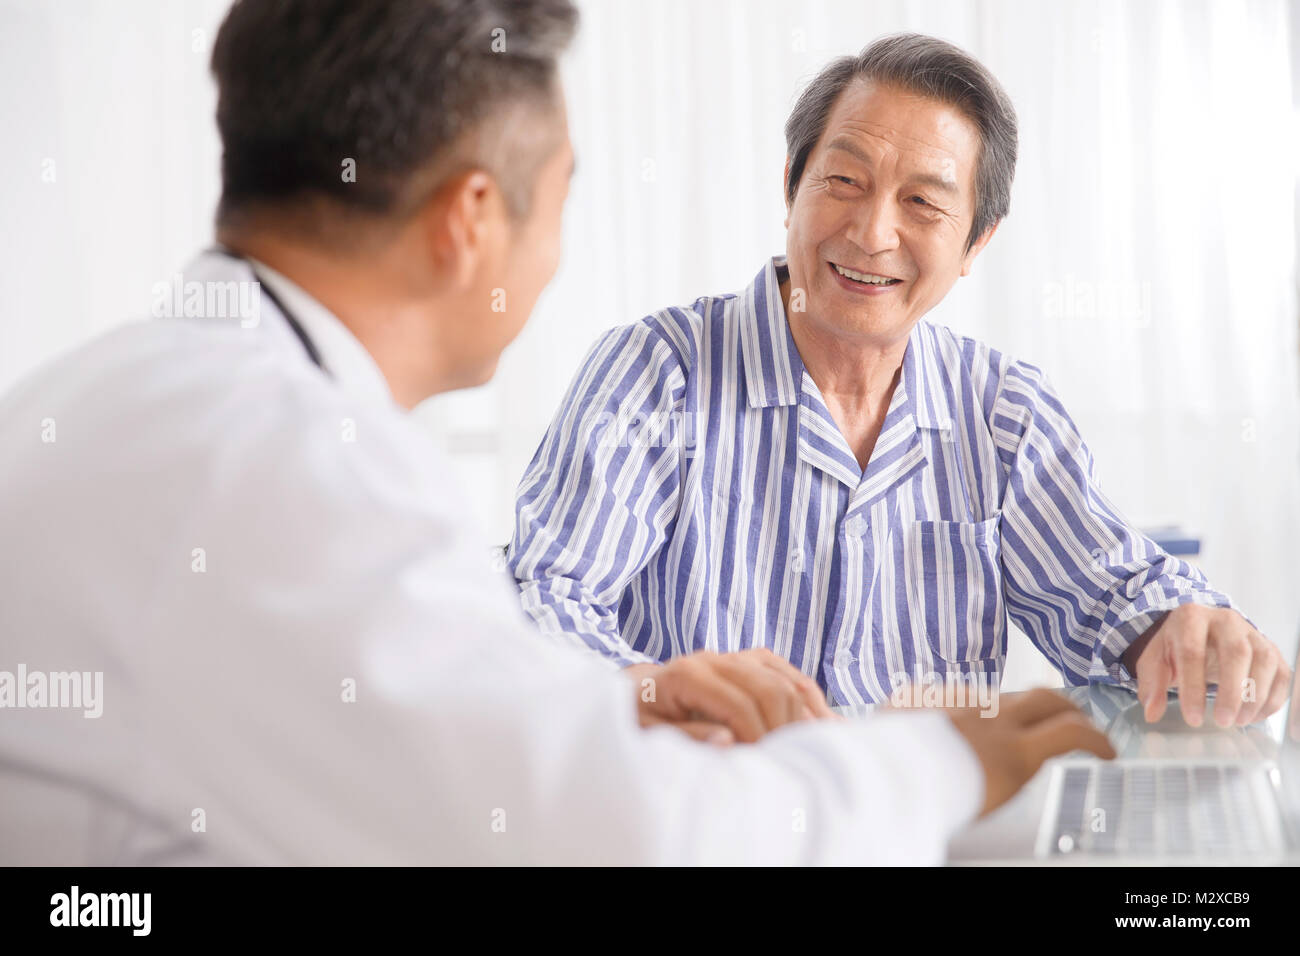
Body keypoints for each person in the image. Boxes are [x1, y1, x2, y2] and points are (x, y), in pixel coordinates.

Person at [0, 0, 1113, 866]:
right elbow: (606, 841)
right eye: (562, 193)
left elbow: (451, 723)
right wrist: (939, 760)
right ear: (471, 221)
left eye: (923, 202)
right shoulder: (280, 461)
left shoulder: (159, 392)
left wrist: (615, 694)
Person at [508, 32, 1292, 729]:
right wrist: (654, 691)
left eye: (922, 202)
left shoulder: (1002, 413)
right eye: (843, 182)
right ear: (791, 187)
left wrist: (1190, 631)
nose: (872, 232)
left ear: (976, 241)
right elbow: (544, 599)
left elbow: (1111, 596)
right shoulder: (656, 375)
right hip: (702, 826)